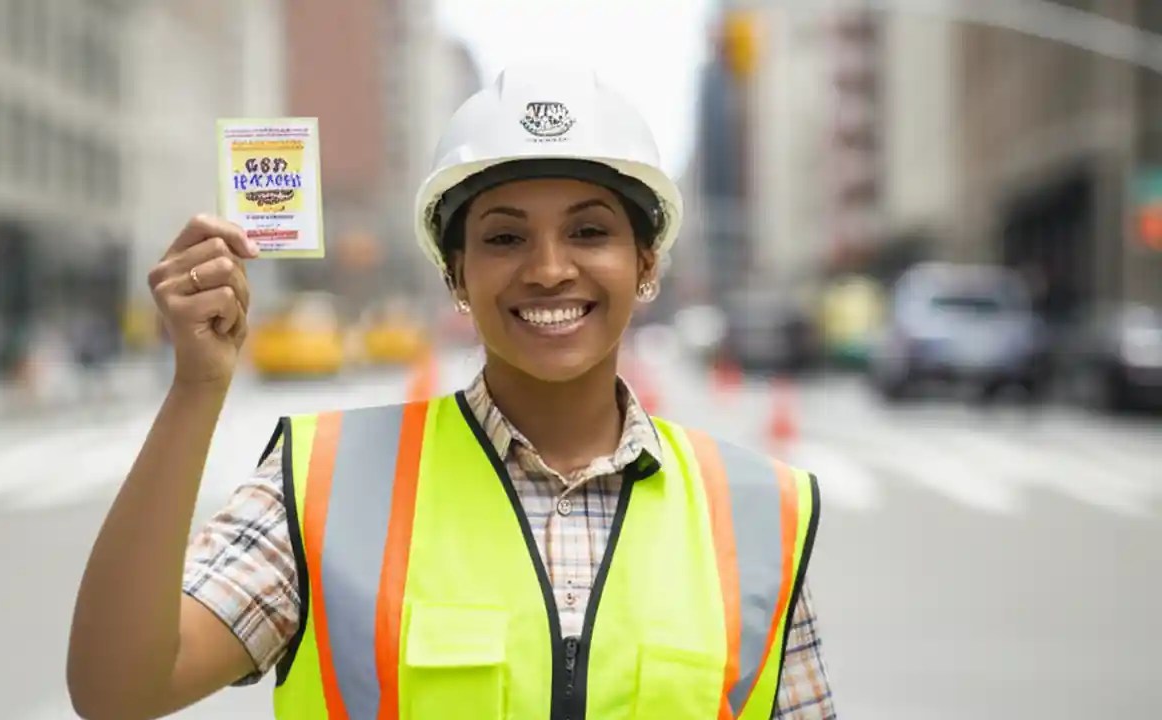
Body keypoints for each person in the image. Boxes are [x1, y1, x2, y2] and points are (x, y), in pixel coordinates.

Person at [67, 66, 836, 719]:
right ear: (456, 276)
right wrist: (198, 388)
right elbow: (118, 688)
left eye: (589, 231)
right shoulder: (322, 484)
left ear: (646, 264)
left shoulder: (759, 511)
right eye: (504, 237)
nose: (547, 269)